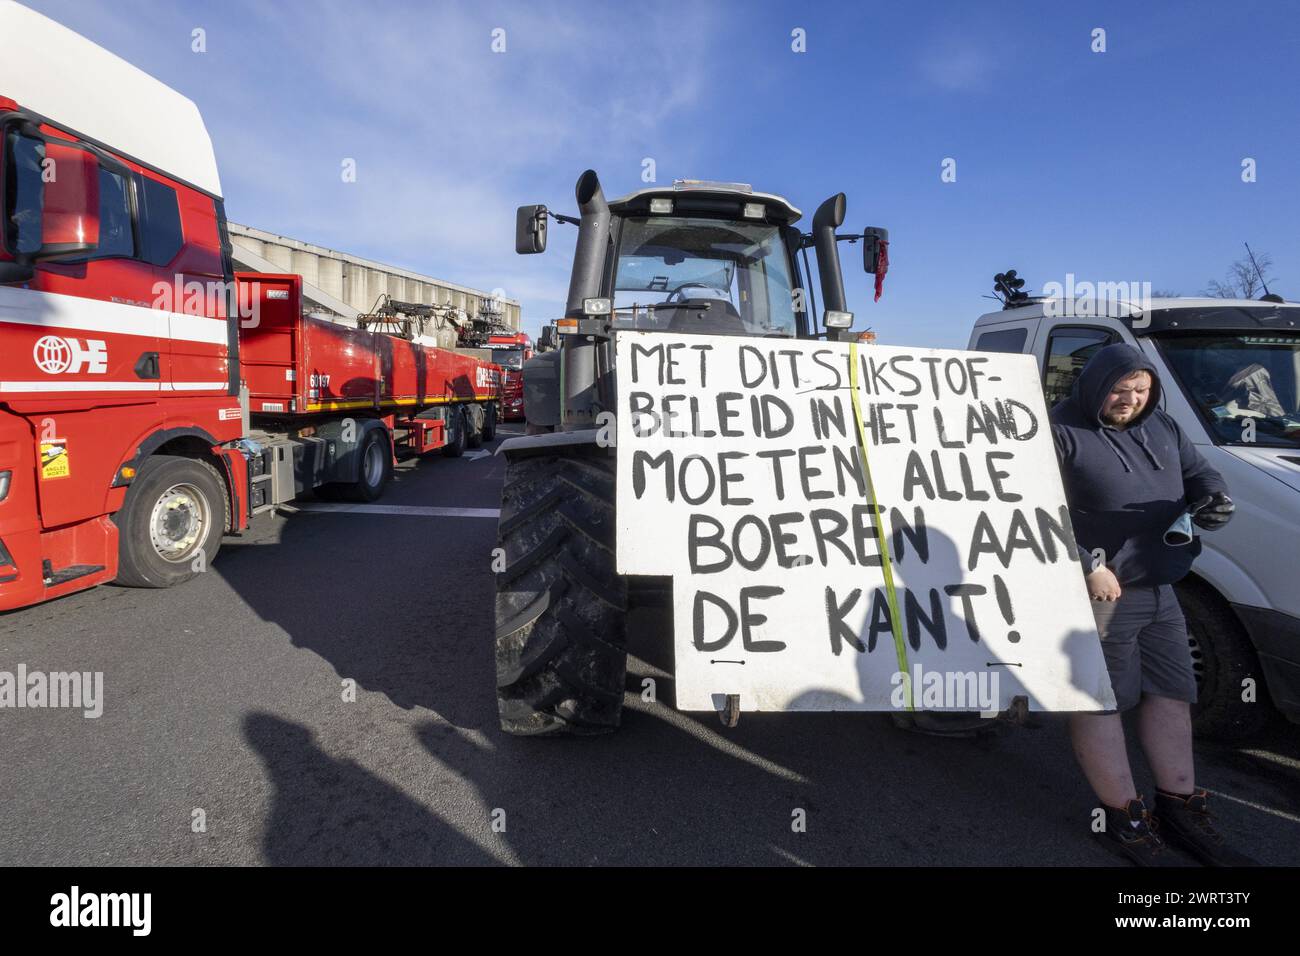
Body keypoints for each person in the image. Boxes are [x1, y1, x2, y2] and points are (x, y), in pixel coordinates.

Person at [1051, 343, 1253, 866]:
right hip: (1101, 596)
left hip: (1164, 588)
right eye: (1121, 389)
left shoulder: (1162, 426)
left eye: (1141, 390)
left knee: (1171, 692)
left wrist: (1214, 499)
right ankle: (1124, 818)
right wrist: (1084, 562)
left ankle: (1181, 807)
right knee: (1101, 701)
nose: (1131, 399)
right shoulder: (1058, 430)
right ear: (1097, 383)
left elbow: (1200, 474)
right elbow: (1031, 507)